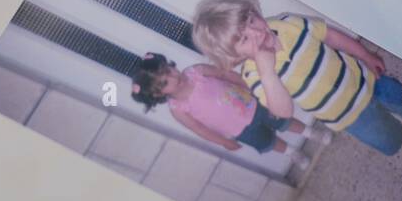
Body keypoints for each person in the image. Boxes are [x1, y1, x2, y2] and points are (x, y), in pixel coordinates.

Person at [193, 0, 402, 159]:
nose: (256, 33)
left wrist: (365, 54)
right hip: (348, 116)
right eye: (242, 39)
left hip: (368, 81)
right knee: (388, 135)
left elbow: (330, 35)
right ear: (232, 55)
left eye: (250, 20)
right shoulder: (256, 76)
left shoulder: (286, 23)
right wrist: (267, 71)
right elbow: (282, 112)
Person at [130, 53, 310, 162]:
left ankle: (309, 132)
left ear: (169, 66)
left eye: (168, 71)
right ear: (158, 94)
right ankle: (291, 152)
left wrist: (254, 88)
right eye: (164, 82)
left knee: (282, 119)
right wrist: (223, 141)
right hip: (238, 130)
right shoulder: (177, 109)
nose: (173, 77)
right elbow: (200, 129)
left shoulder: (196, 71)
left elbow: (227, 75)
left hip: (252, 103)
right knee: (268, 142)